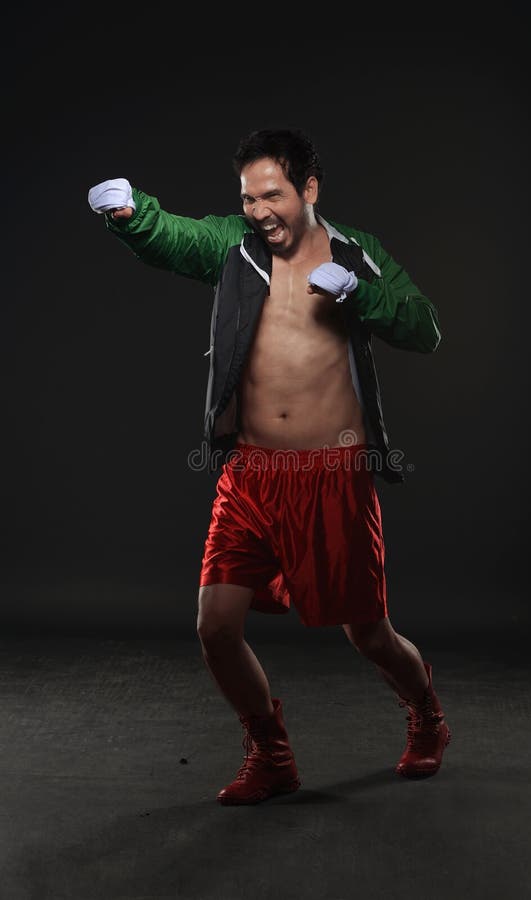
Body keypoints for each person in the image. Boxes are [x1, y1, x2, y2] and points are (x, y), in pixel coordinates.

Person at [88, 128, 451, 806]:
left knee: (367, 633)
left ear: (308, 190)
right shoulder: (235, 247)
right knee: (215, 626)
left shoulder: (356, 253)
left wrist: (360, 294)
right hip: (251, 473)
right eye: (249, 197)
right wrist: (134, 216)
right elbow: (177, 237)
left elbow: (423, 327)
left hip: (333, 472)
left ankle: (427, 714)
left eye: (272, 195)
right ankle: (270, 752)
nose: (258, 211)